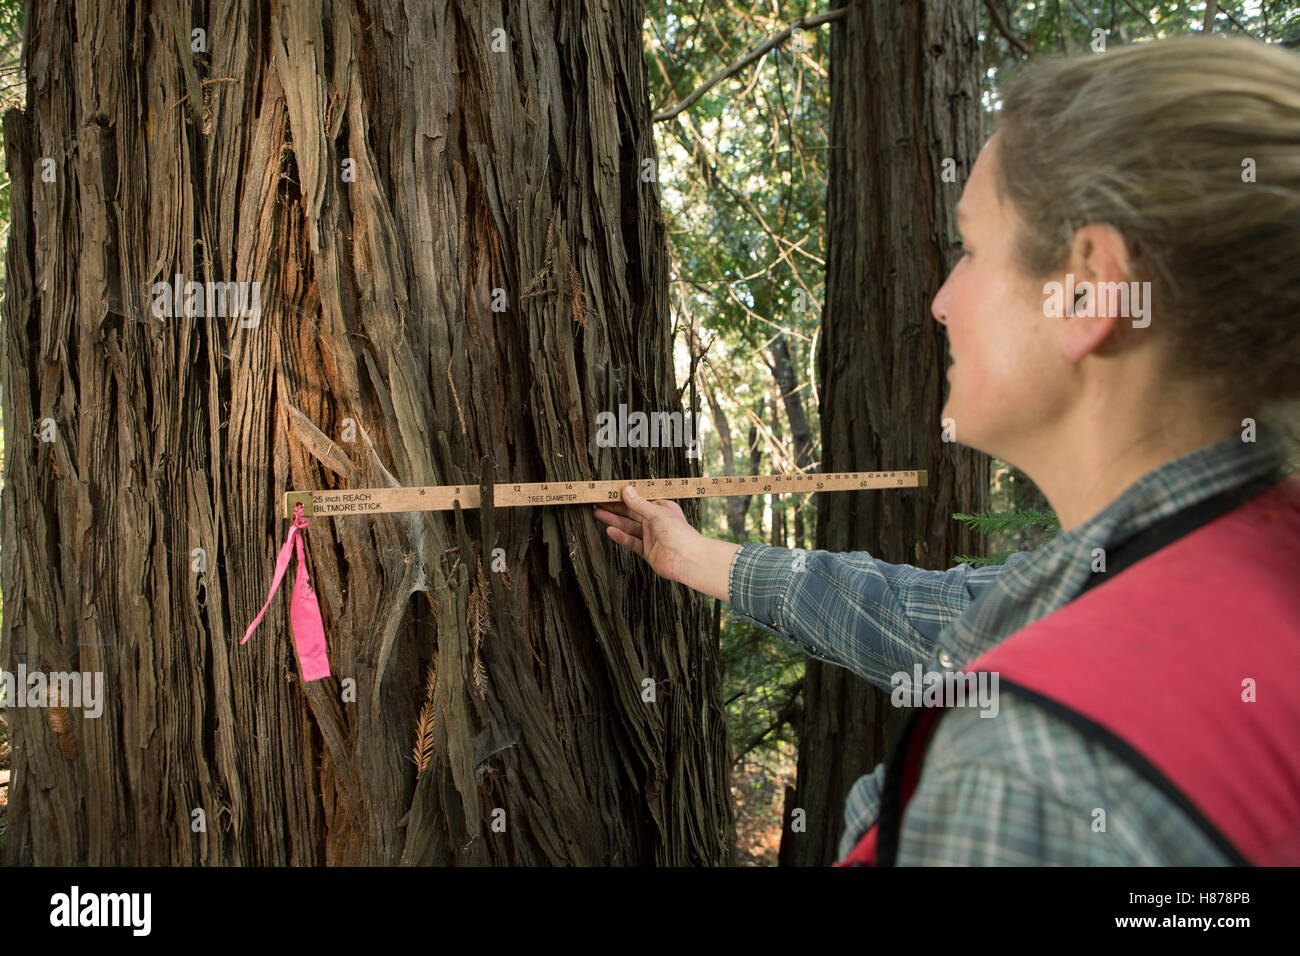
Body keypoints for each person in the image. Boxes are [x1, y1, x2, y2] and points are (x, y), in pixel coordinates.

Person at [594, 33, 1300, 865]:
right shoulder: (1233, 555)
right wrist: (700, 557)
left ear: (1089, 289)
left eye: (969, 249)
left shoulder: (1022, 775)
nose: (939, 301)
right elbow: (955, 619)